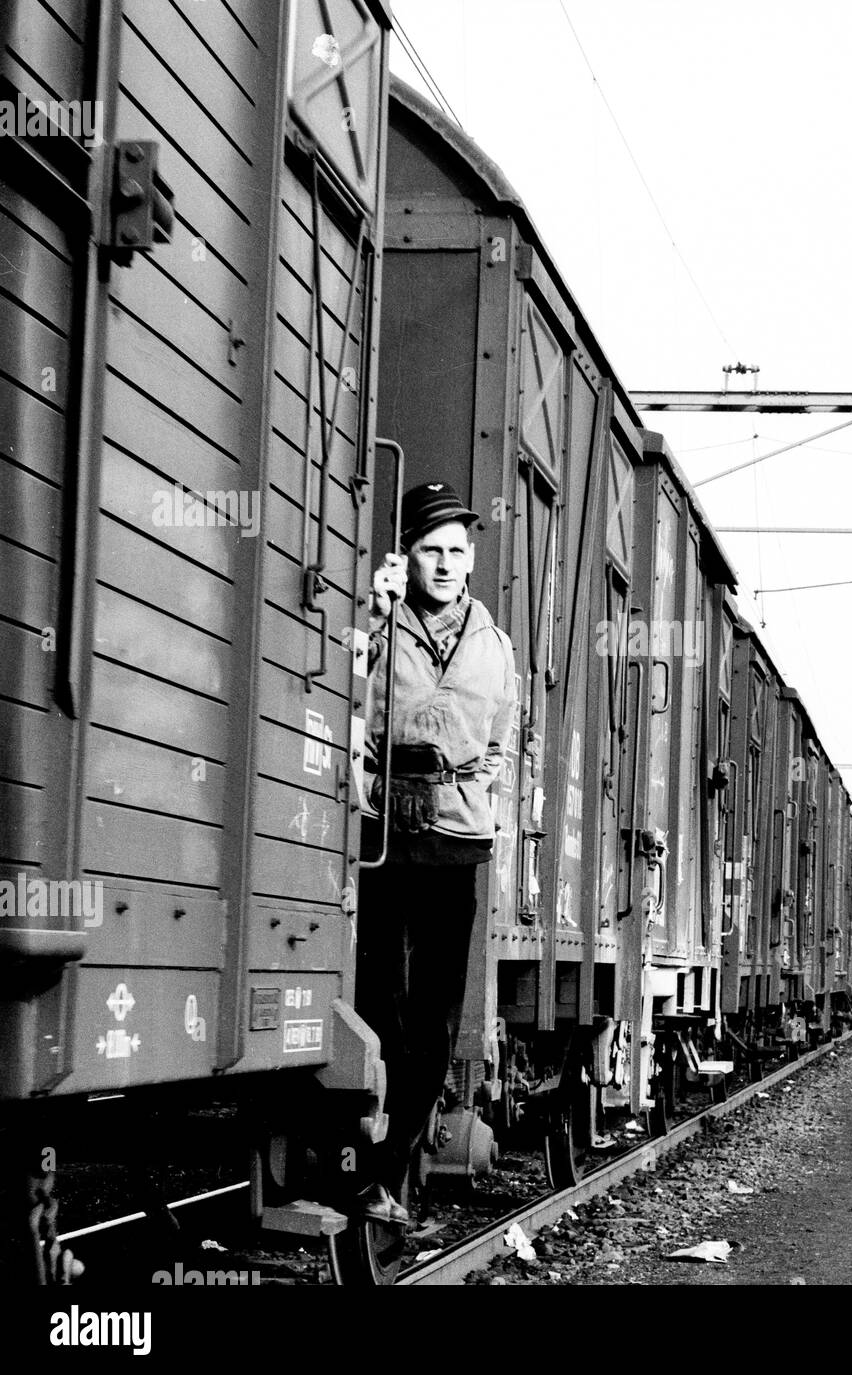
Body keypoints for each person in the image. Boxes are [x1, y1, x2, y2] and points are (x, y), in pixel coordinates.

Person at [357, 481, 517, 1221]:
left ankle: (388, 1166)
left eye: (456, 550)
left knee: (436, 1022)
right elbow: (345, 697)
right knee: (380, 1001)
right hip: (387, 832)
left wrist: (466, 790)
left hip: (457, 841)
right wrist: (371, 610)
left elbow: (501, 742)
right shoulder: (379, 621)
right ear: (407, 556)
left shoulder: (495, 646)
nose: (446, 563)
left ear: (472, 558)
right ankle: (366, 1152)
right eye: (430, 550)